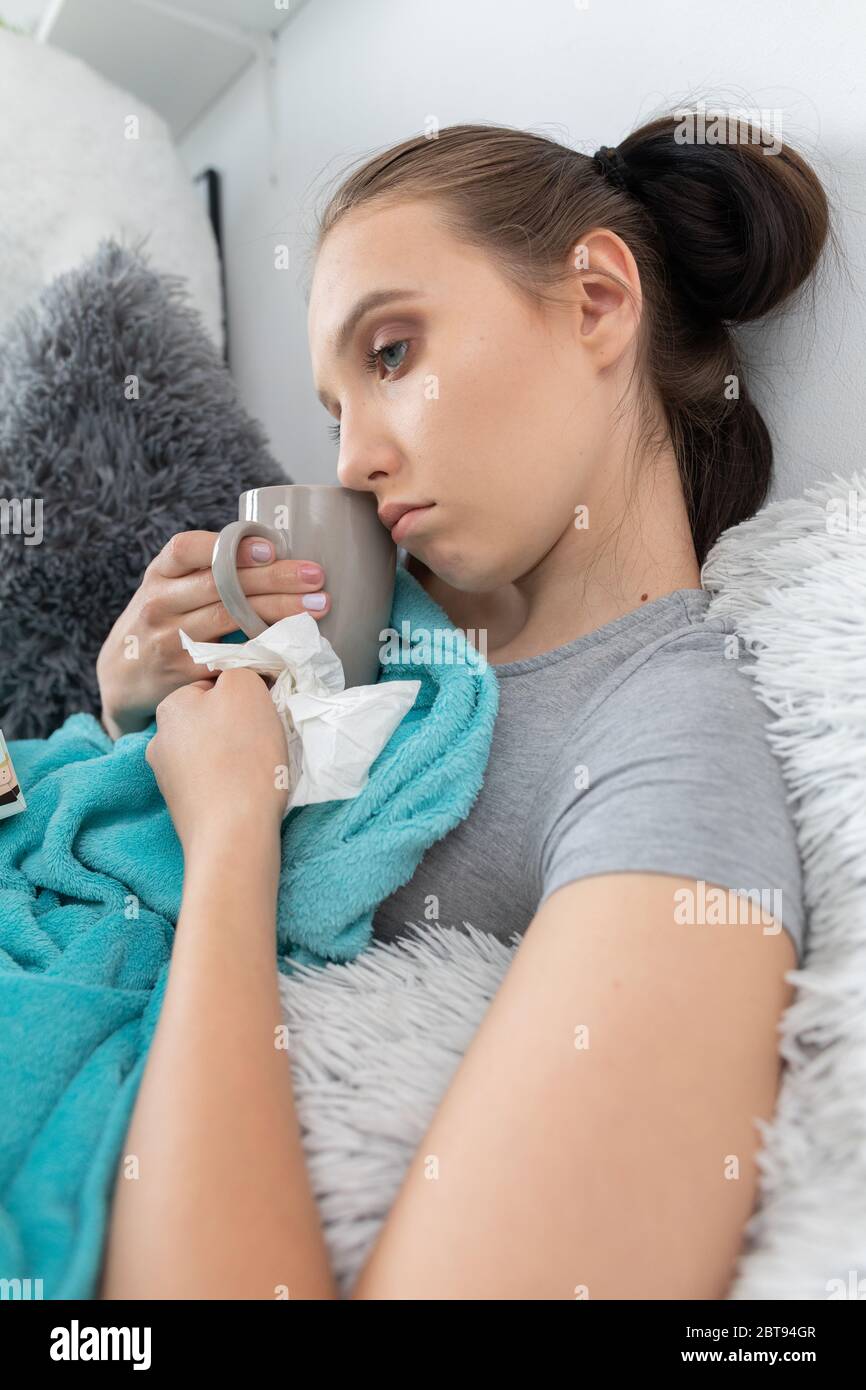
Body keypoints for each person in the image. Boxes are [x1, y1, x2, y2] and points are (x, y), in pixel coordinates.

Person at [96, 115, 832, 1300]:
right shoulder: (369, 620)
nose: (347, 466)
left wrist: (229, 829)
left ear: (595, 298)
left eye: (389, 355)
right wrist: (124, 708)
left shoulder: (669, 747)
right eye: (336, 409)